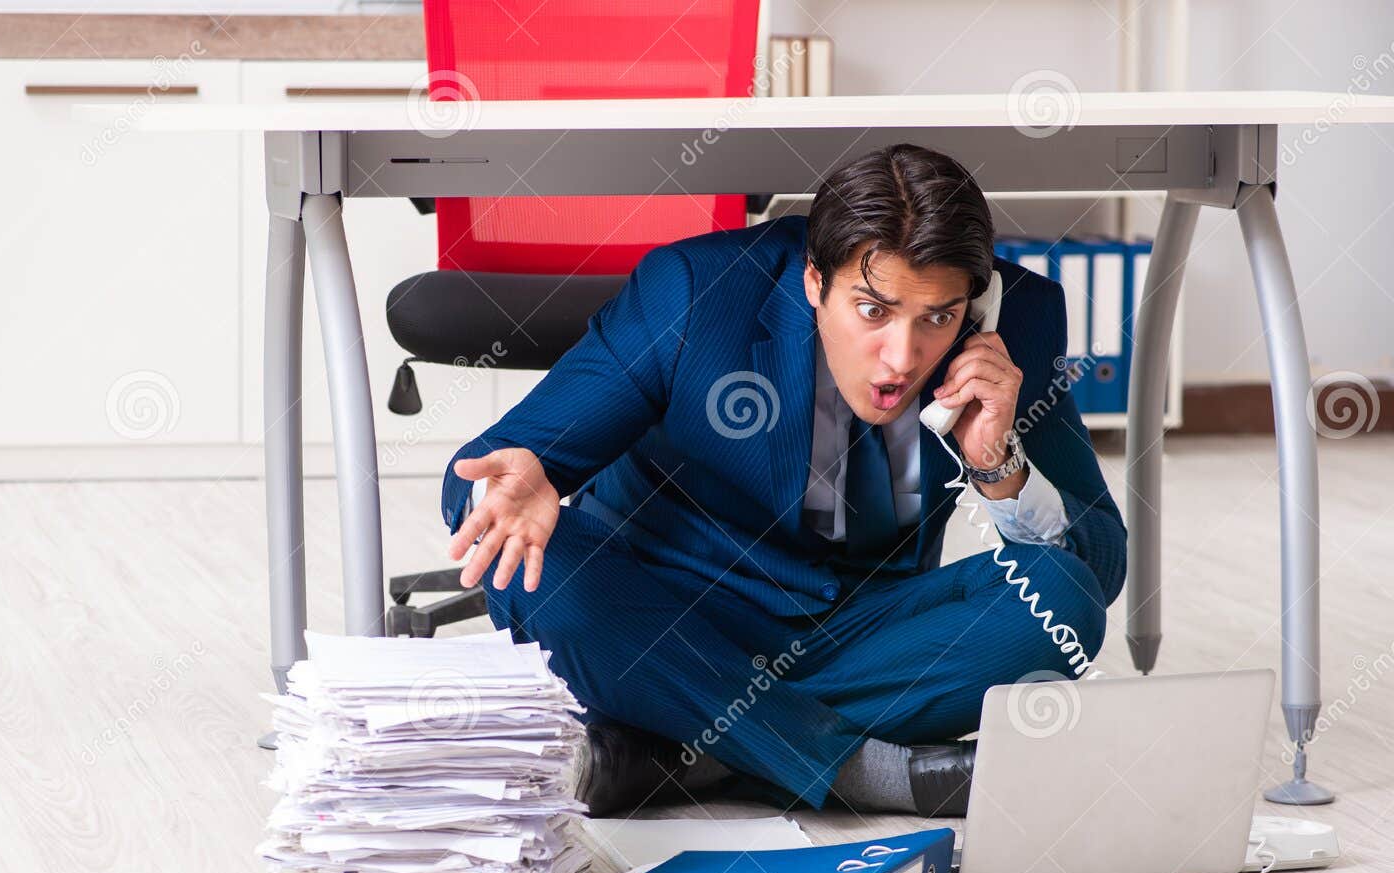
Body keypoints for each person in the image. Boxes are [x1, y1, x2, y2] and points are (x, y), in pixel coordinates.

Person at [437, 143, 1125, 818]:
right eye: (874, 311)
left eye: (937, 318)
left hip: (860, 629)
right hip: (667, 618)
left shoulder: (1017, 324)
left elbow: (1098, 561)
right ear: (814, 282)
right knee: (520, 550)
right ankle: (861, 771)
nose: (902, 356)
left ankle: (697, 754)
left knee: (1060, 602)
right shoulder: (697, 294)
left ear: (973, 310)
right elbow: (484, 471)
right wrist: (509, 487)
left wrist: (996, 465)